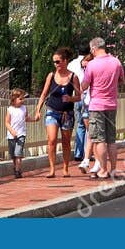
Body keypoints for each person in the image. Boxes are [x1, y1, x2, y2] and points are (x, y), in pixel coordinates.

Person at [79, 36, 125, 180]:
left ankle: (103, 169)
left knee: (99, 139)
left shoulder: (92, 65)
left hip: (97, 106)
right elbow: (122, 80)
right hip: (111, 104)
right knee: (111, 140)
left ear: (94, 48)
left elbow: (84, 86)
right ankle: (113, 169)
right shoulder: (116, 62)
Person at [35, 47, 79, 178]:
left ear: (65, 61)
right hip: (52, 111)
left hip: (67, 113)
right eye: (54, 62)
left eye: (58, 61)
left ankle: (65, 168)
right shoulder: (51, 75)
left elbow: (79, 96)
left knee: (66, 142)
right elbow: (43, 94)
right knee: (52, 140)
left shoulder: (73, 76)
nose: (56, 64)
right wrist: (38, 110)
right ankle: (52, 169)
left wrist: (70, 98)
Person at [66, 48, 91, 168]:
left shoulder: (71, 64)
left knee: (80, 125)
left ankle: (78, 153)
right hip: (87, 96)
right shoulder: (91, 61)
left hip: (76, 97)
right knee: (89, 127)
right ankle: (88, 153)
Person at [5, 89, 29, 179]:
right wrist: (12, 131)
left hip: (21, 134)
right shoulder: (10, 109)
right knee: (13, 155)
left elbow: (26, 118)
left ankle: (18, 171)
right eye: (20, 99)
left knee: (18, 153)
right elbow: (7, 122)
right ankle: (15, 168)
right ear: (14, 99)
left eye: (23, 99)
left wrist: (34, 119)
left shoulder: (24, 108)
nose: (22, 101)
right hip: (11, 136)